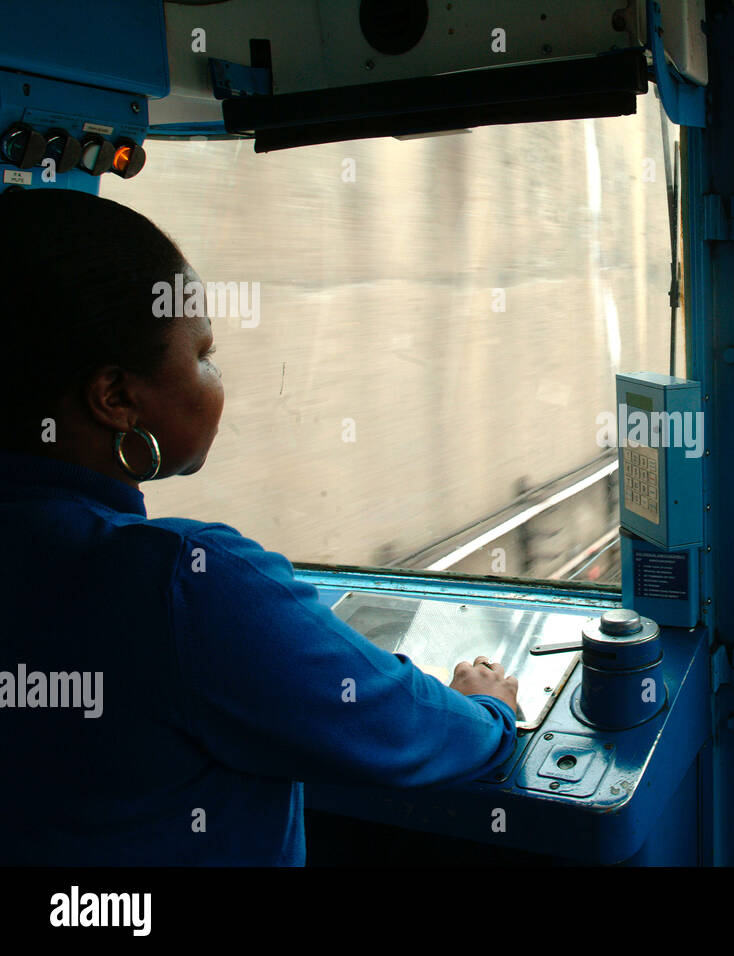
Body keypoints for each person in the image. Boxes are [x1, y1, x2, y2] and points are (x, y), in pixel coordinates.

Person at [0, 188, 520, 865]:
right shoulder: (180, 581)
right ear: (118, 397)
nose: (219, 381)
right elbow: (397, 726)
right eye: (205, 356)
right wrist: (489, 713)